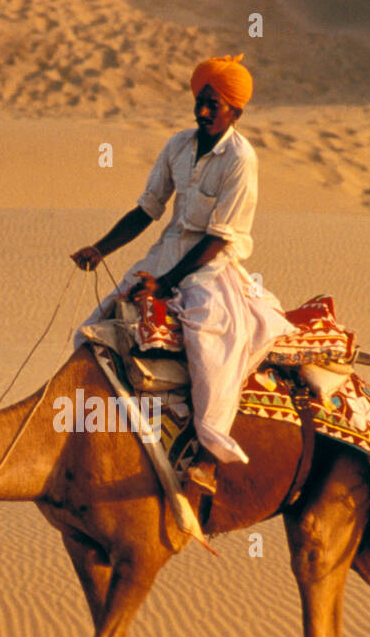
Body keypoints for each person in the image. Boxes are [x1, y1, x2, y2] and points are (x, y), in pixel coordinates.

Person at [71, 54, 294, 495]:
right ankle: (89, 432)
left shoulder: (240, 159)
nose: (204, 110)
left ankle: (209, 456)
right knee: (93, 330)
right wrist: (101, 248)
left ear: (235, 110)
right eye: (201, 101)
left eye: (214, 104)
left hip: (210, 267)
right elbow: (147, 209)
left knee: (211, 342)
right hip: (163, 254)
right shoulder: (177, 146)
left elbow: (217, 238)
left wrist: (166, 285)